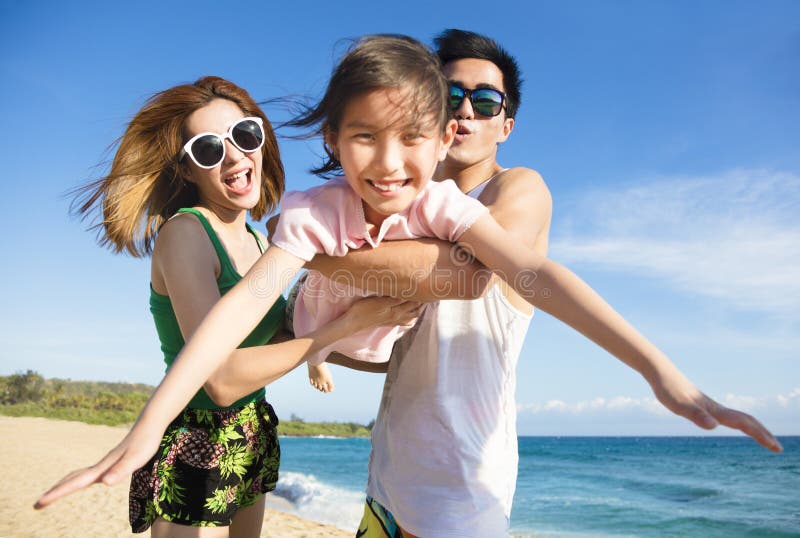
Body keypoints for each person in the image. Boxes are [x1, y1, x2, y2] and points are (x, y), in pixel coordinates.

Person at [37, 35, 780, 532]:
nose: (390, 164)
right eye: (365, 137)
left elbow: (533, 273)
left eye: (413, 136)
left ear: (446, 135)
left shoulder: (455, 205)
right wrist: (145, 432)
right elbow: (239, 311)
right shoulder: (311, 213)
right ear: (333, 140)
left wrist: (660, 372)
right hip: (384, 462)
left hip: (455, 482)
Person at [298, 30, 783, 538]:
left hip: (459, 486)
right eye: (450, 94)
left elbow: (475, 274)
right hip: (388, 476)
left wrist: (656, 369)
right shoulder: (404, 210)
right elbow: (395, 350)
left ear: (505, 125)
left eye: (486, 101)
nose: (465, 110)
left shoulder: (516, 188)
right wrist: (318, 339)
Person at [37, 75, 423, 537]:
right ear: (187, 169)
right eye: (208, 149)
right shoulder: (187, 233)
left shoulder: (260, 241)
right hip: (198, 436)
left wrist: (389, 342)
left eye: (244, 135)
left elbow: (285, 339)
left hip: (252, 429)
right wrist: (341, 329)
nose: (235, 156)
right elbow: (219, 381)